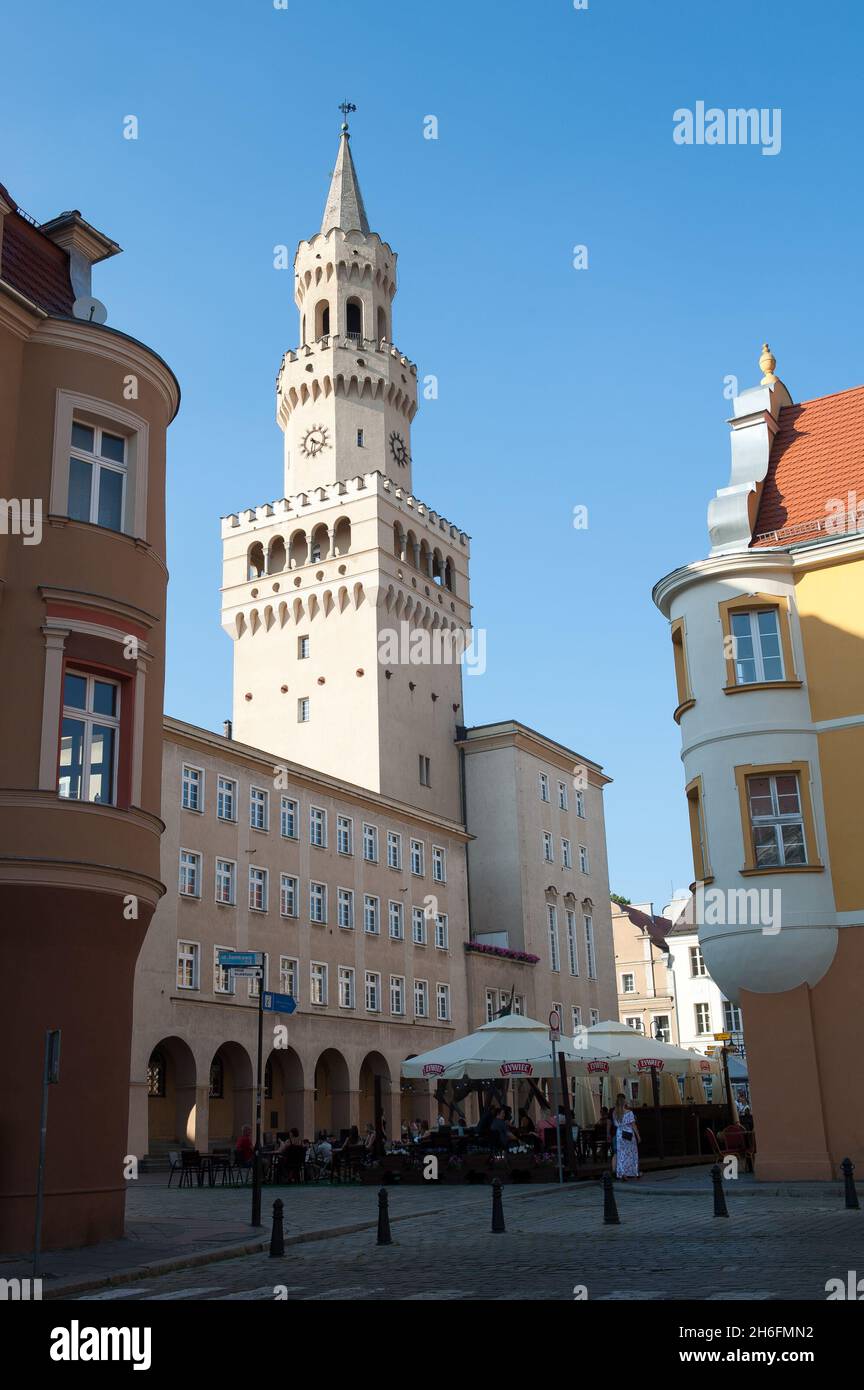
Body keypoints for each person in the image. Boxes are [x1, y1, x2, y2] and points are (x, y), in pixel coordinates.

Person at [611, 1092, 640, 1180]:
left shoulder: (614, 1113)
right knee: (631, 1153)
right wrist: (638, 1135)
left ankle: (622, 1172)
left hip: (619, 1134)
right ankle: (634, 1171)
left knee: (621, 1154)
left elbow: (615, 1125)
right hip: (629, 1134)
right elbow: (633, 1125)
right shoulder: (629, 1112)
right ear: (624, 1102)